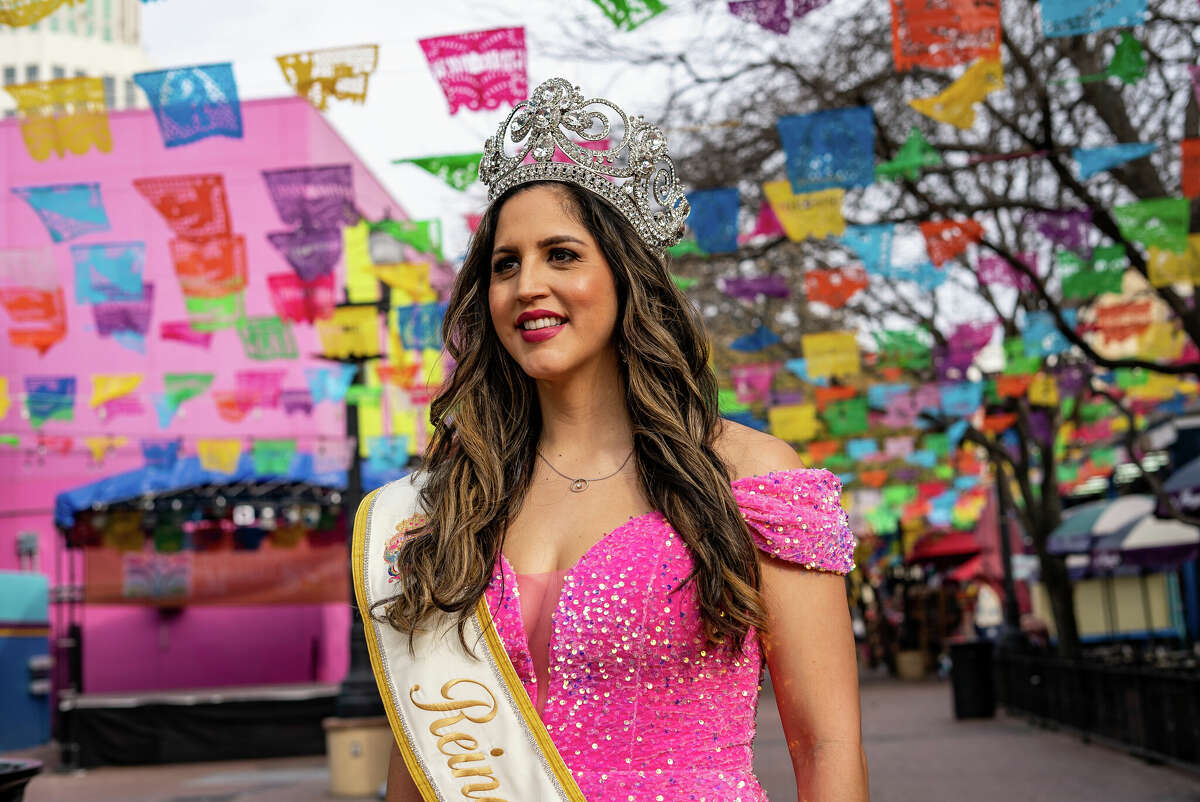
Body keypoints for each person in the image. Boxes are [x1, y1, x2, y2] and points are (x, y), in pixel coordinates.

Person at [353, 77, 868, 802]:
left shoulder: (750, 478)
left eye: (560, 254)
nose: (527, 283)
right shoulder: (453, 501)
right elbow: (423, 758)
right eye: (506, 264)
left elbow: (825, 744)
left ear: (626, 275)